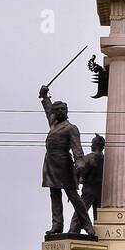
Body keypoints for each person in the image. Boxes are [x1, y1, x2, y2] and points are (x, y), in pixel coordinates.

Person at [39, 85, 96, 238]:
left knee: (73, 196)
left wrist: (80, 167)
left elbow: (77, 151)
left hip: (64, 165)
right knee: (54, 194)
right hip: (50, 164)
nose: (63, 112)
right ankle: (57, 225)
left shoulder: (71, 128)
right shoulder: (54, 124)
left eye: (65, 109)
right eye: (60, 110)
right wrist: (45, 97)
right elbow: (48, 112)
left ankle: (87, 225)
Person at [78, 134, 105, 223]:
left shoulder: (89, 158)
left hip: (89, 190)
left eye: (92, 143)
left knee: (81, 212)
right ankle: (98, 233)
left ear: (96, 145)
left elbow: (80, 170)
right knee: (98, 216)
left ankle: (74, 230)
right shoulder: (105, 159)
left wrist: (79, 178)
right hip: (101, 191)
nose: (91, 145)